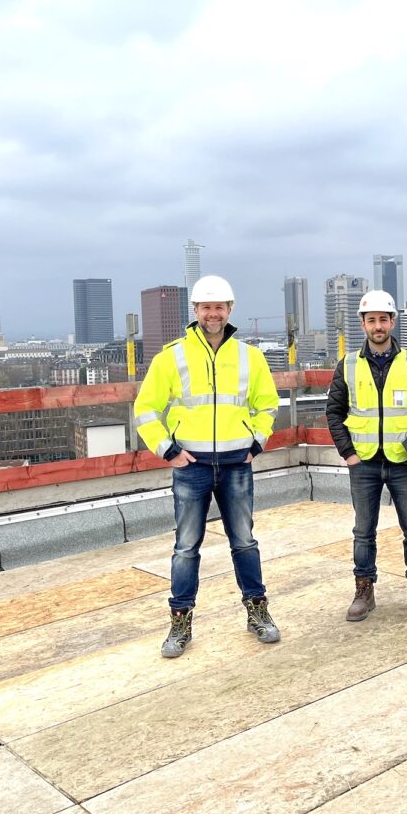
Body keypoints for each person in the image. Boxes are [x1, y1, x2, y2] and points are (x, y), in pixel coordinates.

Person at [134, 274, 281, 658]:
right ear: (195, 311)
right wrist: (168, 451)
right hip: (191, 467)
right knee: (185, 548)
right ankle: (180, 624)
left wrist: (257, 442)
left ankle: (257, 613)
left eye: (219, 307)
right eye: (206, 307)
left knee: (245, 542)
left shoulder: (251, 357)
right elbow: (145, 409)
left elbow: (268, 405)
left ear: (230, 310)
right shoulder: (172, 357)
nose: (213, 313)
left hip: (237, 464)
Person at [325, 290, 407, 622]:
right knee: (363, 531)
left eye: (383, 319)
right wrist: (347, 453)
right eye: (371, 320)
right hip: (363, 462)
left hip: (404, 461)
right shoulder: (348, 364)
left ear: (392, 321)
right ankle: (364, 590)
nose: (377, 326)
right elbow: (333, 412)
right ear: (363, 324)